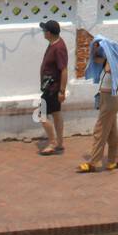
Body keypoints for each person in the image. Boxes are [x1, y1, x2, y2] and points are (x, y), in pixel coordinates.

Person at [77, 36, 118, 174]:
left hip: (110, 100)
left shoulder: (114, 63)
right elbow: (94, 56)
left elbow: (109, 55)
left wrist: (104, 45)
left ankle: (93, 162)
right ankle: (116, 160)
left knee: (100, 131)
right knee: (112, 133)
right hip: (106, 99)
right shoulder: (105, 62)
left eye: (103, 47)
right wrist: (95, 45)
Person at [38, 20, 68, 156]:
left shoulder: (58, 48)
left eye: (44, 30)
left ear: (49, 33)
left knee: (41, 115)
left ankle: (52, 142)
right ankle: (60, 142)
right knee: (56, 113)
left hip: (52, 88)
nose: (43, 32)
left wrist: (62, 91)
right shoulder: (53, 44)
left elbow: (64, 70)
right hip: (49, 86)